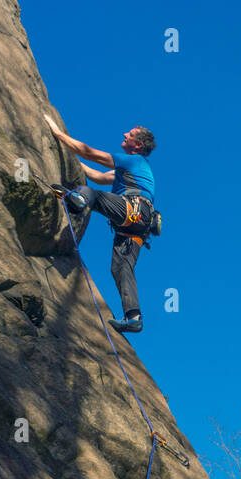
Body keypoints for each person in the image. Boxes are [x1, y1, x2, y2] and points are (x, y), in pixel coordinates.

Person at [43, 114, 156, 334]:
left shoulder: (133, 160)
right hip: (137, 226)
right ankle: (134, 317)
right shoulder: (131, 171)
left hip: (132, 210)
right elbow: (96, 175)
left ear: (138, 144)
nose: (125, 134)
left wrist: (58, 134)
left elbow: (90, 153)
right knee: (121, 267)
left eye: (130, 134)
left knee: (92, 195)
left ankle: (78, 201)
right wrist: (71, 159)